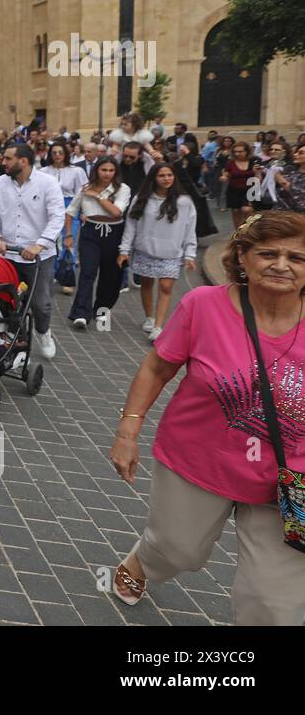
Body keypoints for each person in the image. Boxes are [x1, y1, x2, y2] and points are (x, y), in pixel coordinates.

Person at [109, 211, 305, 624]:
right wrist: (129, 429)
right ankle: (145, 561)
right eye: (268, 253)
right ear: (243, 258)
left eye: (297, 258)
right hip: (198, 461)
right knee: (179, 549)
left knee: (275, 603)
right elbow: (156, 369)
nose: (282, 265)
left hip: (289, 482)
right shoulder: (203, 306)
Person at [0, 144, 62, 360]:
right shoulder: (0, 183)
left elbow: (57, 218)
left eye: (8, 159)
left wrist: (39, 245)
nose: (3, 162)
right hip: (8, 254)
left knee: (40, 304)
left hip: (40, 256)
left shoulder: (48, 184)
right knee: (8, 300)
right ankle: (19, 337)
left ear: (23, 161)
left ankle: (43, 332)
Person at [118, 163, 198, 342]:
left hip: (172, 252)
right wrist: (124, 250)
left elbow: (190, 228)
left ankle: (158, 327)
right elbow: (131, 224)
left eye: (170, 175)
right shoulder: (142, 198)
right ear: (154, 177)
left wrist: (189, 254)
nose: (167, 179)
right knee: (147, 283)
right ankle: (149, 317)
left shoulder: (184, 202)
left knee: (166, 287)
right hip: (145, 250)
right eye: (162, 175)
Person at [64, 157, 129, 330]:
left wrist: (99, 196)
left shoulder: (122, 189)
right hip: (90, 233)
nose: (107, 174)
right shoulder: (85, 189)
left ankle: (102, 314)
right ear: (96, 171)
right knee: (87, 272)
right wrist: (68, 235)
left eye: (111, 170)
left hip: (114, 233)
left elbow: (116, 212)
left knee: (111, 277)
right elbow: (70, 211)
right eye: (103, 170)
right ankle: (81, 314)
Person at [38, 142, 88, 294]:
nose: (57, 155)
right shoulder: (43, 171)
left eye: (60, 152)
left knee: (68, 242)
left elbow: (83, 192)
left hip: (70, 206)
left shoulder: (76, 171)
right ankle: (52, 274)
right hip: (49, 207)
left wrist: (84, 211)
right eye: (54, 152)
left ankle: (68, 278)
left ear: (65, 154)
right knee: (50, 241)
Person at [273, 143, 305, 213]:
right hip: (278, 212)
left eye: (301, 153)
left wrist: (281, 180)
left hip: (296, 217)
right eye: (296, 152)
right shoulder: (290, 170)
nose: (295, 154)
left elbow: (300, 197)